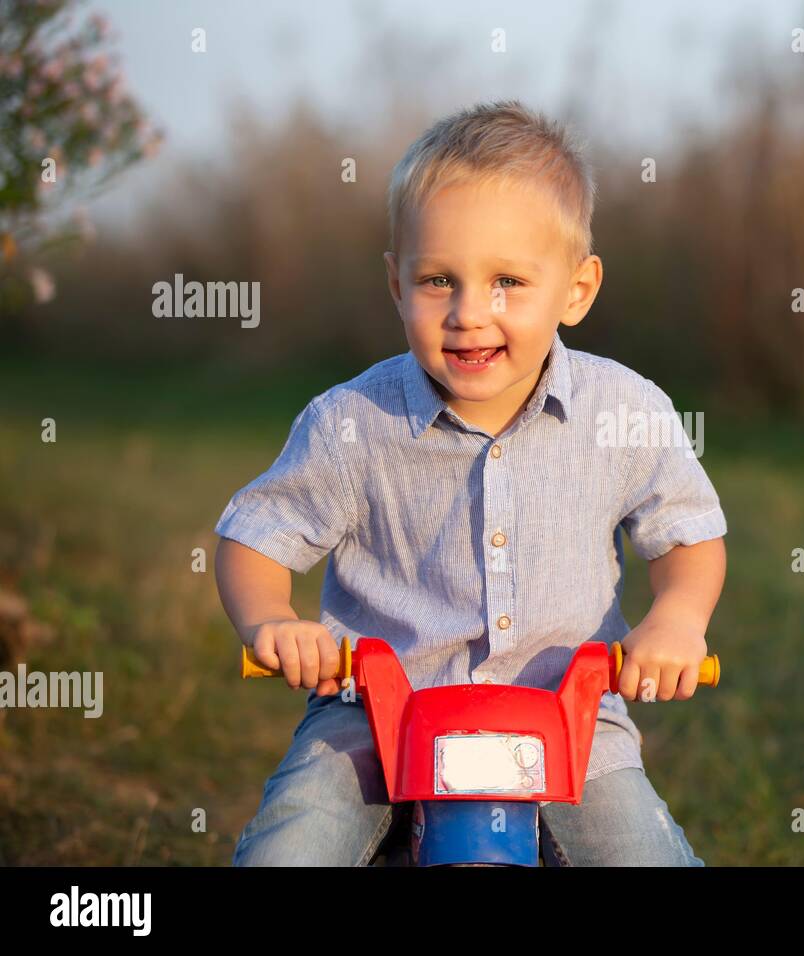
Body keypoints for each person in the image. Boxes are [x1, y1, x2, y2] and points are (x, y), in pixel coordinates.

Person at [214, 100, 727, 866]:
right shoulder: (352, 420)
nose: (468, 314)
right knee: (292, 847)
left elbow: (688, 533)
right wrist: (271, 621)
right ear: (396, 284)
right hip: (373, 715)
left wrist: (679, 619)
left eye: (508, 282)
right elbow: (254, 536)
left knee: (641, 854)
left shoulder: (624, 410)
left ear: (577, 291)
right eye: (437, 281)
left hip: (571, 716)